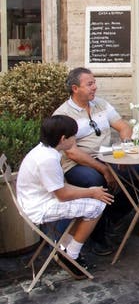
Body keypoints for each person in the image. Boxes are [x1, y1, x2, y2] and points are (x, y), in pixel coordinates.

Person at [53, 67, 139, 254]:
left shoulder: (101, 104)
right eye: (89, 84)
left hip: (106, 157)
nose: (95, 87)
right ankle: (98, 238)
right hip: (77, 164)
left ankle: (110, 217)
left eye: (94, 82)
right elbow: (72, 153)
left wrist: (125, 147)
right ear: (75, 88)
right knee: (96, 182)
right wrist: (104, 170)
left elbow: (123, 126)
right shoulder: (63, 114)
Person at [16, 116, 113, 279]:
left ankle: (65, 248)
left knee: (92, 201)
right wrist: (92, 192)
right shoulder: (48, 159)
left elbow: (60, 186)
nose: (75, 139)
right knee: (97, 206)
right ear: (63, 139)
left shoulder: (44, 150)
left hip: (40, 198)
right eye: (73, 136)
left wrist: (90, 190)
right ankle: (71, 256)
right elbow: (62, 194)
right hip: (39, 206)